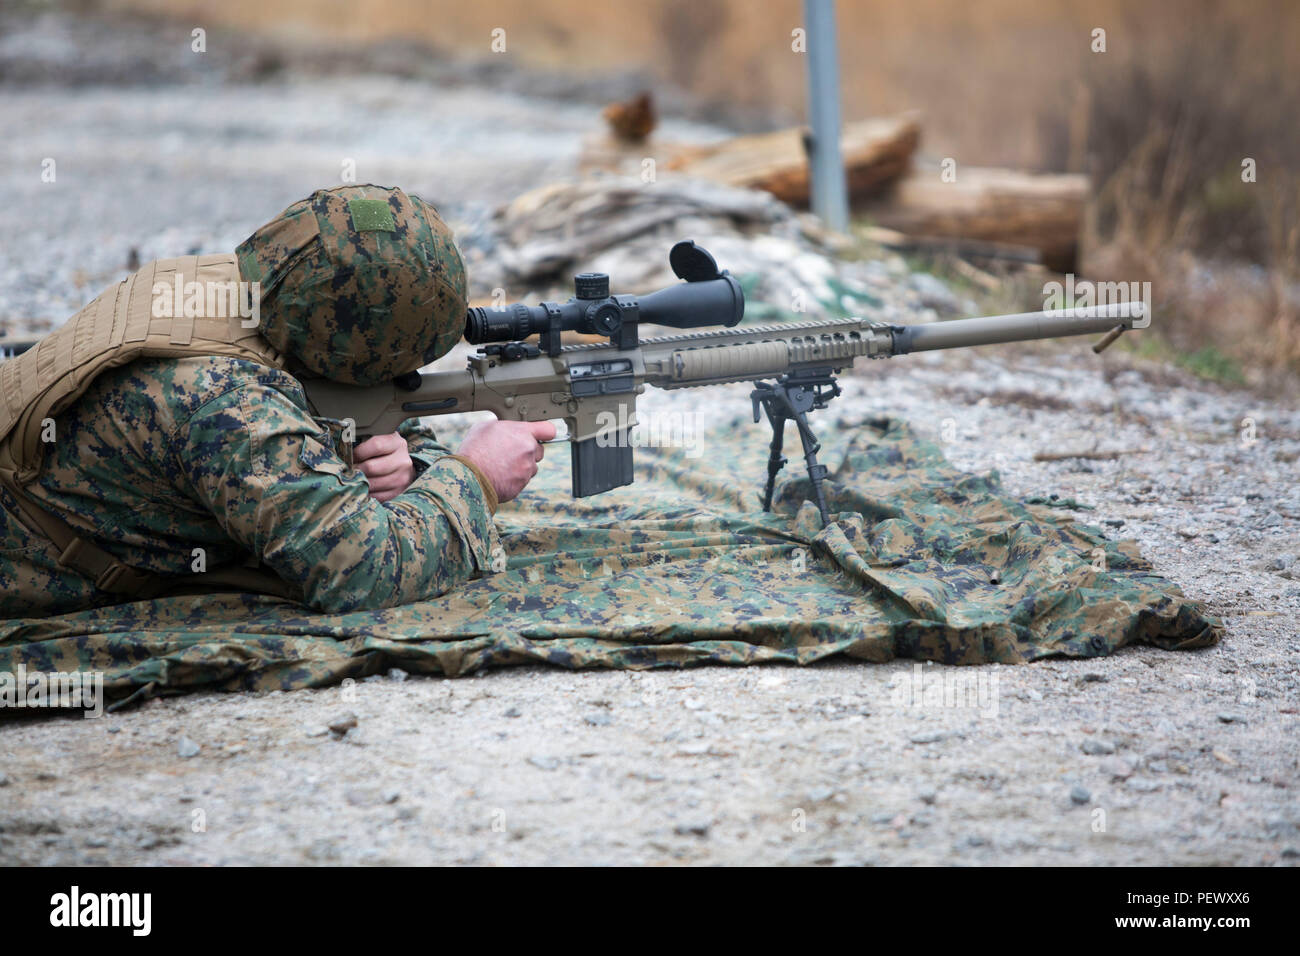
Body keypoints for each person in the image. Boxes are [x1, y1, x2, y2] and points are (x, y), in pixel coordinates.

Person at [0, 184, 552, 618]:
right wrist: (475, 475)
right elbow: (362, 575)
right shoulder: (231, 404)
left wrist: (410, 466)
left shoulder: (241, 287)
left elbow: (365, 399)